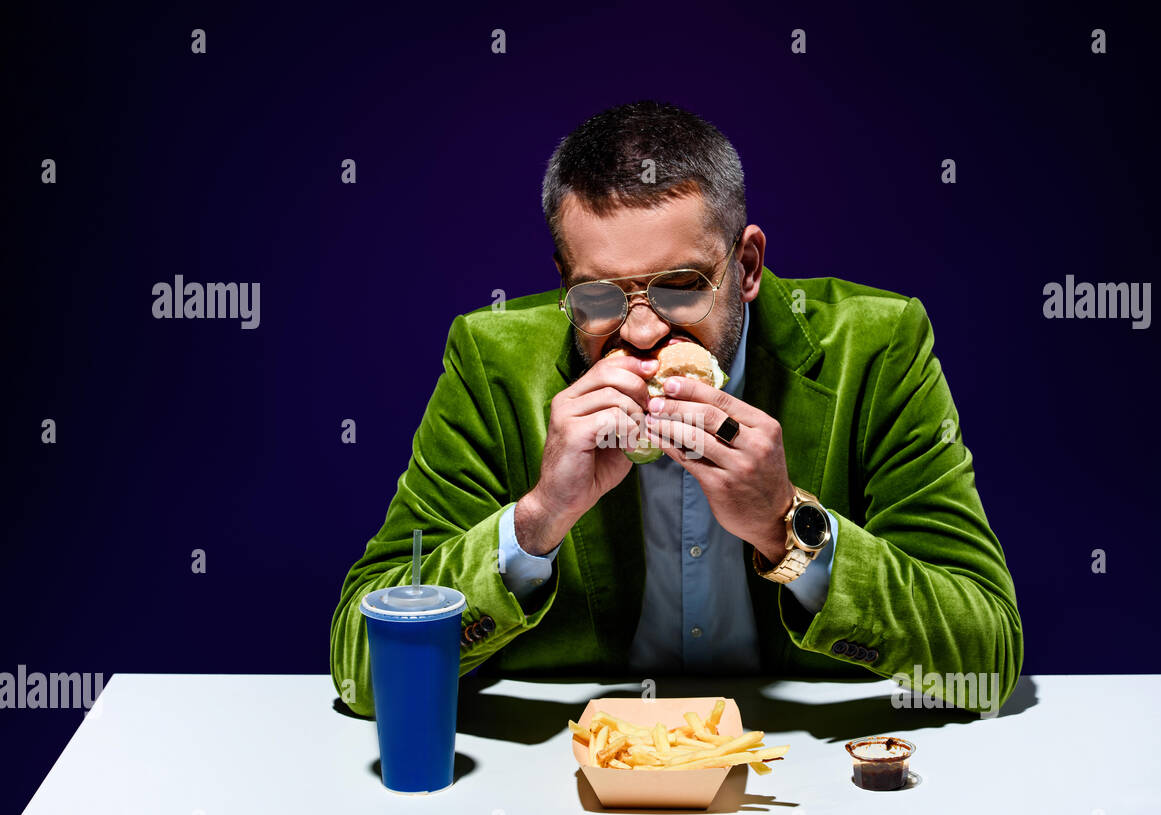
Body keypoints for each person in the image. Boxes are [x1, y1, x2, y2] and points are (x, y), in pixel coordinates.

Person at [330, 100, 1022, 716]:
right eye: (598, 295)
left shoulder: (876, 349)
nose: (639, 331)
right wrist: (535, 523)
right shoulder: (495, 364)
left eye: (682, 286)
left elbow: (987, 661)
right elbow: (360, 670)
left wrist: (790, 529)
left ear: (746, 267)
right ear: (563, 281)